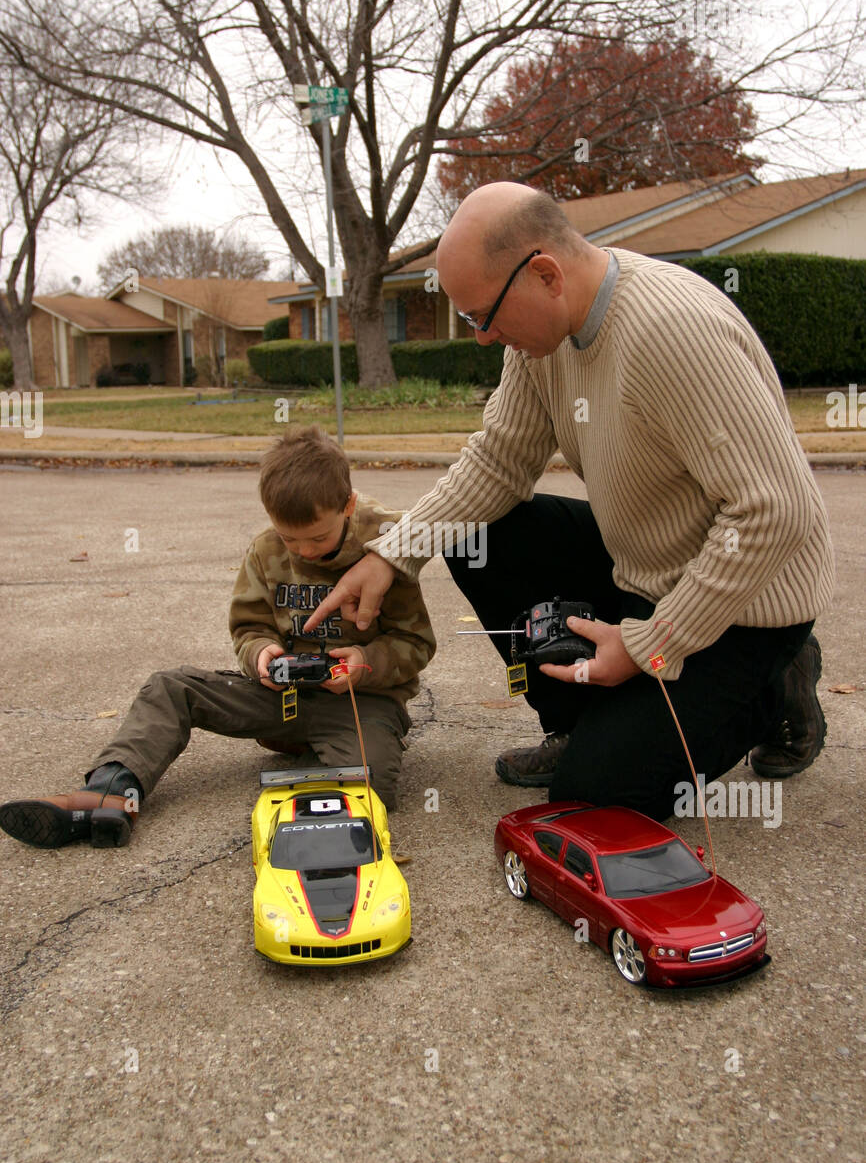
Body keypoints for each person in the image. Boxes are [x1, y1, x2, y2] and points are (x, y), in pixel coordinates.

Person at [302, 182, 834, 822]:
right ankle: (577, 723)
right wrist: (393, 554)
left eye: (482, 317)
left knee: (600, 797)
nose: (480, 337)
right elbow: (500, 459)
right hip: (645, 569)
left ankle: (778, 687)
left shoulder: (673, 332)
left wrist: (649, 645)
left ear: (545, 274)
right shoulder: (542, 344)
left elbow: (774, 510)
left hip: (746, 608)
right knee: (483, 537)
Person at [0, 426, 436, 848]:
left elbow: (416, 643)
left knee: (373, 781)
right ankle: (112, 791)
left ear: (348, 505)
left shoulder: (388, 550)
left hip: (360, 702)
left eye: (317, 538)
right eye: (289, 538)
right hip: (281, 696)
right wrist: (260, 654)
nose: (302, 550)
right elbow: (249, 627)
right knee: (170, 688)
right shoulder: (266, 550)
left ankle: (323, 768)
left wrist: (363, 662)